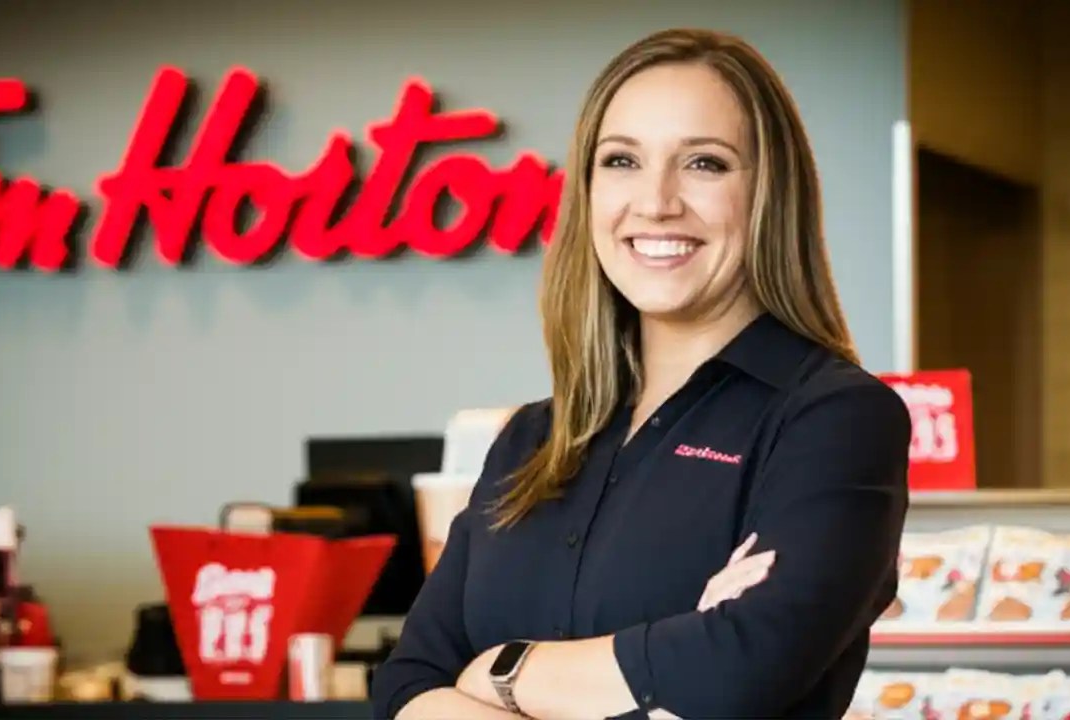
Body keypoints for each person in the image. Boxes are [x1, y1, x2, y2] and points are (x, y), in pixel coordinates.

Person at [370, 27, 911, 720]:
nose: (655, 202)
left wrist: (501, 670)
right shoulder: (531, 439)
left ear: (771, 194)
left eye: (705, 164)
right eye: (621, 160)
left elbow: (741, 669)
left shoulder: (836, 420)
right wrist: (657, 672)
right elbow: (406, 687)